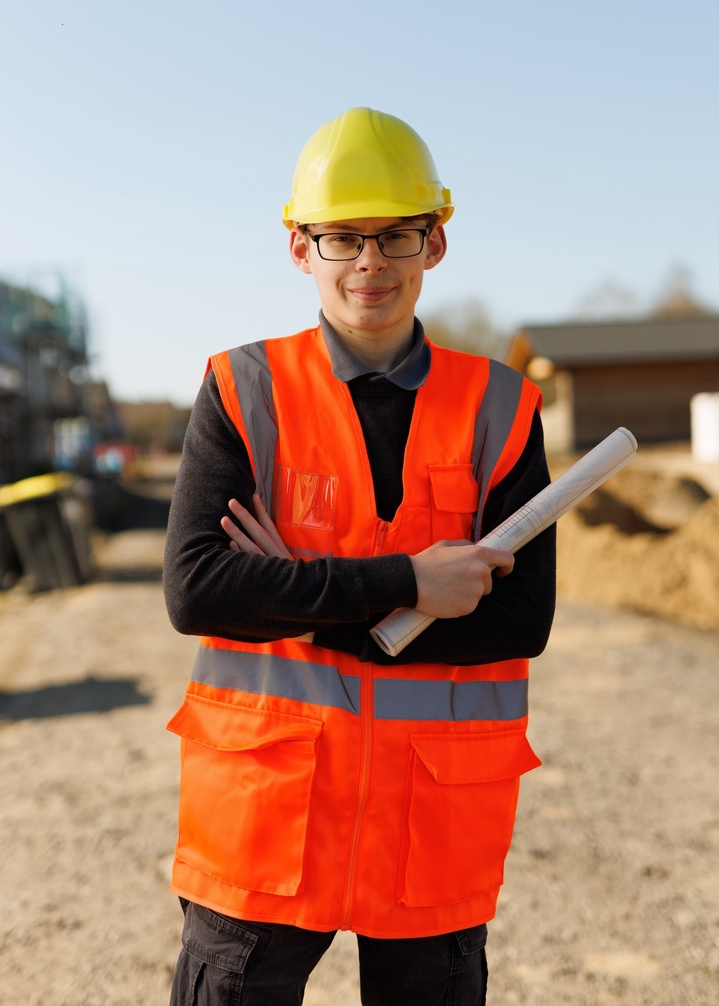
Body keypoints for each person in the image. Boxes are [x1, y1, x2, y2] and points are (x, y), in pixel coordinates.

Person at [163, 106, 556, 1005]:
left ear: (434, 243)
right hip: (267, 815)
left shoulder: (502, 409)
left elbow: (519, 621)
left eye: (394, 236)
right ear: (301, 250)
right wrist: (412, 583)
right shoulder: (242, 389)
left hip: (433, 820)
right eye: (342, 238)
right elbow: (199, 591)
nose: (369, 263)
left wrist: (293, 599)